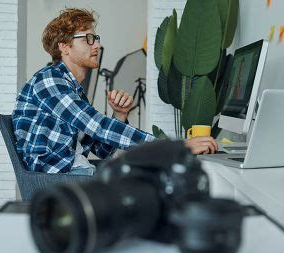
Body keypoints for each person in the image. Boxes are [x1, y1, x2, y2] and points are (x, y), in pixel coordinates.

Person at [12, 8, 217, 176]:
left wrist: (120, 114)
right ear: (64, 47)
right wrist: (175, 147)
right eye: (88, 39)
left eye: (96, 38)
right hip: (56, 177)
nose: (98, 45)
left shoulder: (71, 87)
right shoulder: (51, 81)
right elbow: (99, 127)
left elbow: (103, 150)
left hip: (75, 171)